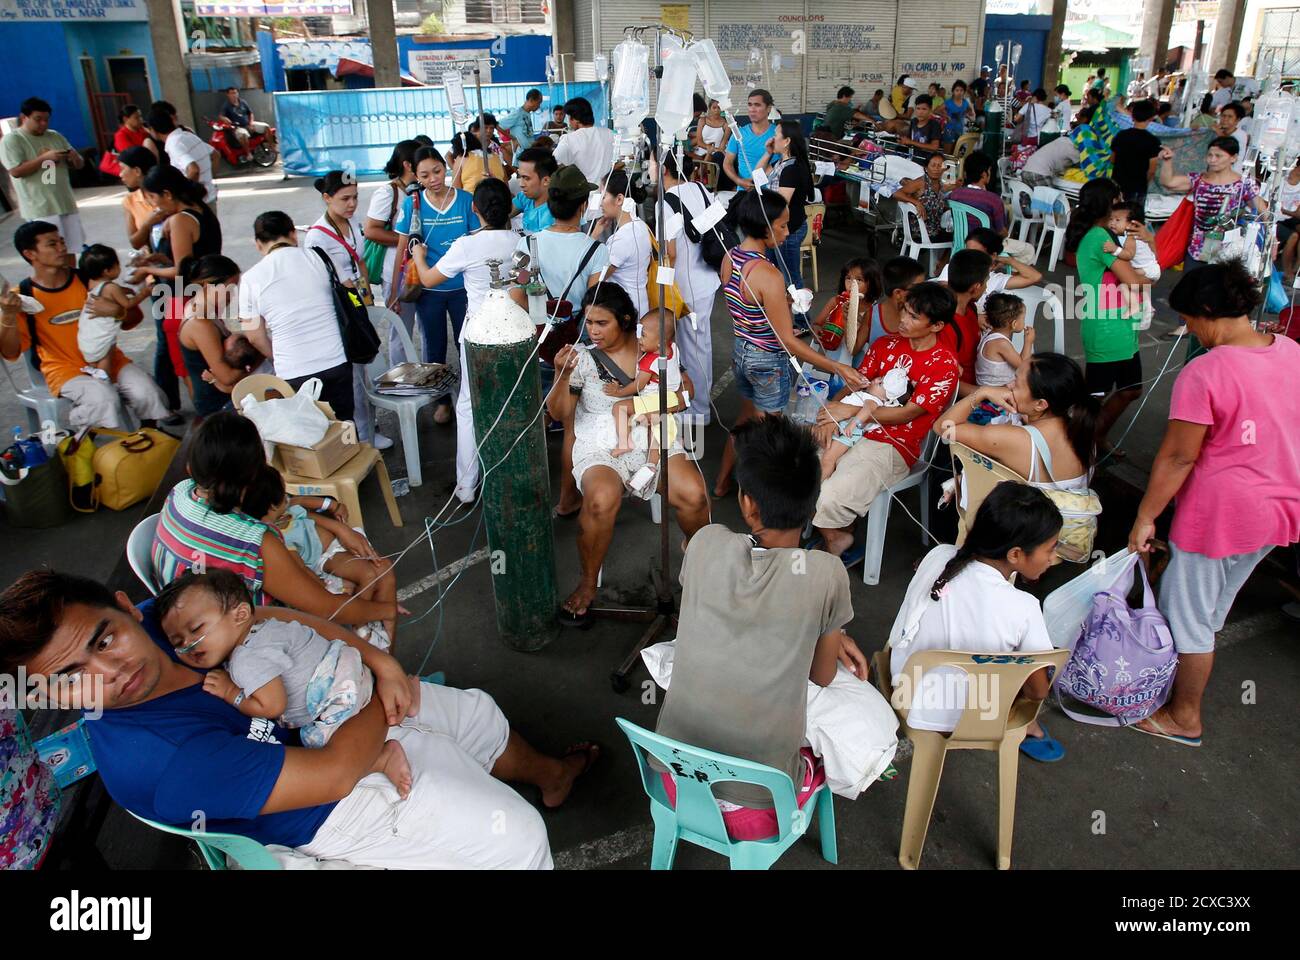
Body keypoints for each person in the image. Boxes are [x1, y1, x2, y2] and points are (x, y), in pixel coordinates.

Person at [0, 569, 597, 869]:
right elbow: (335, 775)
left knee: (478, 715)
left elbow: (262, 621)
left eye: (106, 639)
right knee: (516, 838)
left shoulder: (168, 617)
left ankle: (550, 775)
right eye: (70, 675)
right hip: (321, 802)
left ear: (129, 608)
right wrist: (364, 693)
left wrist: (376, 660)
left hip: (326, 710)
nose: (107, 674)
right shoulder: (162, 760)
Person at [654, 415, 873, 838]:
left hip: (671, 780)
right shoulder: (827, 574)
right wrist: (828, 627)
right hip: (760, 806)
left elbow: (736, 596)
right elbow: (822, 676)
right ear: (813, 505)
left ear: (747, 503)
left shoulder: (705, 543)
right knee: (844, 723)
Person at [1128, 261, 1300, 747]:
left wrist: (1146, 516)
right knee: (1208, 613)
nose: (1190, 331)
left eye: (1190, 321)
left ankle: (1185, 718)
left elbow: (1180, 456)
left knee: (1188, 621)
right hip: (1278, 509)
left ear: (1207, 311)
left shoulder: (1205, 372)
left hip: (1221, 516)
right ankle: (1183, 683)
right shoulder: (1290, 351)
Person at [156, 570, 413, 796]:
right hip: (354, 667)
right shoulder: (267, 625)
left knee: (314, 748)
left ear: (240, 614)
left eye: (197, 628)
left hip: (339, 696)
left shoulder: (244, 660)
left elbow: (272, 706)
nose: (190, 645)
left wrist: (231, 693)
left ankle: (381, 757)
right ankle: (411, 692)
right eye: (178, 643)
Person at [546, 284, 710, 624]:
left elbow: (681, 395)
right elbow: (561, 414)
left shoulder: (653, 348)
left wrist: (653, 401)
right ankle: (589, 583)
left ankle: (701, 565)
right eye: (589, 322)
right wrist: (561, 375)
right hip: (601, 442)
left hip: (652, 436)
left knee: (695, 495)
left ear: (625, 321)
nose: (592, 330)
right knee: (601, 498)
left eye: (601, 323)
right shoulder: (582, 358)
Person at [153, 412, 399, 631]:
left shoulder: (181, 492)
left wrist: (337, 528)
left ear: (192, 467)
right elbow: (327, 610)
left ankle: (390, 674)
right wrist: (388, 609)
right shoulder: (255, 541)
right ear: (253, 473)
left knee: (377, 575)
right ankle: (390, 677)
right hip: (244, 643)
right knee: (382, 578)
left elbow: (287, 515)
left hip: (188, 625)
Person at [888, 482, 1065, 759]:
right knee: (1020, 673)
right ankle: (1029, 726)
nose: (1054, 558)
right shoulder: (1025, 607)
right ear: (1015, 554)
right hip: (960, 716)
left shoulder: (939, 556)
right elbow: (1038, 690)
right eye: (1051, 549)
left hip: (903, 687)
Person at [711, 189, 866, 497]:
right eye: (782, 225)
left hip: (742, 353)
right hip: (767, 361)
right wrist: (836, 367)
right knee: (767, 438)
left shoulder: (730, 259)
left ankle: (721, 483)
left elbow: (750, 310)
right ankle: (756, 500)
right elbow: (787, 341)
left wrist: (784, 305)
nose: (787, 231)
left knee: (744, 421)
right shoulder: (768, 273)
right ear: (764, 226)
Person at [811, 282, 961, 561]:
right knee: (805, 469)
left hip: (895, 443)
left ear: (937, 325)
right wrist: (834, 412)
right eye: (905, 311)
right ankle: (836, 529)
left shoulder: (944, 365)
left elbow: (907, 413)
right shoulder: (885, 344)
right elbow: (856, 383)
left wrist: (847, 412)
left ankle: (838, 538)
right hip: (853, 427)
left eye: (914, 317)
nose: (903, 320)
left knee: (831, 493)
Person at [409, 178, 521, 504]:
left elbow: (429, 279)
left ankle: (467, 485)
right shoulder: (522, 241)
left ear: (474, 209)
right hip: (517, 332)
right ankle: (512, 475)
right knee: (514, 401)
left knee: (470, 406)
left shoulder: (467, 245)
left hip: (479, 335)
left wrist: (418, 255)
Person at [510, 164, 610, 518]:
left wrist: (540, 322)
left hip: (536, 346)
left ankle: (525, 494)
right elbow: (596, 304)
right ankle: (567, 498)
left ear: (549, 203)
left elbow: (515, 295)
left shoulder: (527, 243)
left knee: (532, 421)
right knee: (571, 426)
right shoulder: (595, 251)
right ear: (583, 206)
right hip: (575, 350)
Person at [1, 221, 169, 430]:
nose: (62, 248)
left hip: (109, 360)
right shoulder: (23, 297)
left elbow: (132, 321)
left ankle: (148, 436)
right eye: (52, 244)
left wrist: (119, 311)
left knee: (148, 393)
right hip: (64, 369)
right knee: (103, 399)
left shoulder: (89, 281)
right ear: (30, 254)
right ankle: (78, 441)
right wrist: (7, 315)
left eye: (61, 241)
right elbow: (10, 352)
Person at [303, 169, 391, 450]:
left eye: (355, 197)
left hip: (357, 303)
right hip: (339, 310)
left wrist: (366, 299)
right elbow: (327, 282)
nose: (352, 204)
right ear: (327, 198)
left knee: (364, 367)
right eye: (345, 199)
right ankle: (361, 437)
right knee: (353, 372)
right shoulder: (317, 238)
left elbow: (361, 262)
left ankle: (368, 425)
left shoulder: (352, 224)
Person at [237, 211, 353, 421]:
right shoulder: (321, 257)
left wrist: (277, 356)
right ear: (293, 234)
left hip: (294, 370)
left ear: (258, 243)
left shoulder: (250, 278)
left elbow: (254, 336)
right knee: (344, 426)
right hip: (336, 360)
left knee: (310, 435)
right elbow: (351, 292)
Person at [1063, 178, 1150, 453]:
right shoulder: (1099, 237)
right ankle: (1077, 448)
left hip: (1120, 325)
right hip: (1106, 326)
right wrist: (1146, 279)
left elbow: (1139, 272)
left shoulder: (1107, 235)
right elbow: (1136, 281)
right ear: (1108, 204)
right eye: (1118, 197)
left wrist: (1147, 243)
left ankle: (1095, 436)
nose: (1123, 200)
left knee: (1130, 388)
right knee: (1094, 397)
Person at [393, 146, 478, 422]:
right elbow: (402, 248)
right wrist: (396, 291)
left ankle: (470, 396)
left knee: (466, 343)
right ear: (416, 176)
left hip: (462, 289)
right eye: (425, 175)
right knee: (434, 347)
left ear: (446, 167)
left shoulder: (466, 201)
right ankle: (440, 401)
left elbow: (477, 244)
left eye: (438, 171)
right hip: (428, 291)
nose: (434, 179)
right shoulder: (413, 204)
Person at [1156, 137, 1267, 347]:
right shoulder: (1199, 180)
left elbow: (1262, 211)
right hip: (1197, 245)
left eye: (1218, 156)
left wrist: (1268, 233)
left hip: (1227, 247)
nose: (1212, 160)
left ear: (1233, 158)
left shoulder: (1243, 183)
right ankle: (1186, 324)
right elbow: (1168, 182)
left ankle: (1222, 325)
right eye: (1210, 155)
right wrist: (1168, 162)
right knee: (1191, 283)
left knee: (1223, 286)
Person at [935, 351, 1096, 495]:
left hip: (1021, 526)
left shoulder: (1014, 439)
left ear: (1040, 404)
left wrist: (982, 392)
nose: (1009, 385)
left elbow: (943, 427)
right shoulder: (1080, 427)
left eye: (1017, 383)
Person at [660, 152, 720, 423]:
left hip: (686, 286)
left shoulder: (666, 204)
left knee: (692, 348)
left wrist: (662, 287)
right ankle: (701, 400)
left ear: (663, 169)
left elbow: (669, 252)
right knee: (701, 345)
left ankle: (699, 410)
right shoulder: (698, 188)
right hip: (708, 277)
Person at [606, 313, 689, 483]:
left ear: (659, 342)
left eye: (643, 335)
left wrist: (619, 391)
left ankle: (624, 442)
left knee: (619, 408)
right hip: (671, 397)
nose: (639, 338)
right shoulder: (673, 348)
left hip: (654, 399)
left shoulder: (649, 361)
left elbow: (638, 385)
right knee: (656, 433)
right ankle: (651, 465)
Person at [0, 97, 86, 252]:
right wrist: (43, 159)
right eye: (38, 119)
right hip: (40, 208)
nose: (43, 124)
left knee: (73, 249)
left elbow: (79, 164)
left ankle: (72, 276)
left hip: (65, 203)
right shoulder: (12, 140)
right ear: (23, 117)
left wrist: (75, 159)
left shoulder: (55, 136)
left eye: (46, 120)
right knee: (50, 253)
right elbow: (16, 171)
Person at [177, 254, 256, 418]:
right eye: (230, 288)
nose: (234, 295)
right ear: (207, 286)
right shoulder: (200, 324)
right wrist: (259, 350)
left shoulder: (199, 307)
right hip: (218, 405)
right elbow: (226, 377)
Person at [364, 139, 421, 362]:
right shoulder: (388, 193)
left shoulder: (418, 190)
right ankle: (400, 383)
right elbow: (370, 230)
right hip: (396, 272)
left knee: (424, 328)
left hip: (420, 270)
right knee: (401, 331)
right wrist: (406, 240)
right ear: (408, 164)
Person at [75, 244, 152, 376]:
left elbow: (109, 293)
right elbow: (127, 304)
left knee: (95, 356)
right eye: (117, 265)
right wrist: (144, 293)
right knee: (105, 356)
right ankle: (103, 379)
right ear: (107, 271)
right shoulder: (112, 287)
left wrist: (125, 290)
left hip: (87, 334)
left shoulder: (92, 284)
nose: (119, 268)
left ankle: (92, 371)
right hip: (102, 334)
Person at [757, 120, 816, 293]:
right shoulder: (781, 164)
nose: (772, 139)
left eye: (776, 135)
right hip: (777, 228)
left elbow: (781, 204)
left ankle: (801, 318)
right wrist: (768, 153)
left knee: (791, 278)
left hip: (788, 229)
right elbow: (758, 174)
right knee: (773, 272)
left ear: (787, 141)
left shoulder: (792, 169)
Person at [936, 227, 1042, 313]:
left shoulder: (995, 279)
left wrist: (1009, 260)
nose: (970, 255)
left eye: (976, 253)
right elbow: (943, 300)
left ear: (992, 255)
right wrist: (976, 318)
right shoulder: (953, 268)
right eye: (968, 250)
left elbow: (1035, 277)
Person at [592, 170, 652, 316]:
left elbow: (595, 280)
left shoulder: (622, 239)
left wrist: (593, 236)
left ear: (619, 199)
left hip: (626, 309)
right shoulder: (640, 226)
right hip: (639, 303)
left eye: (604, 196)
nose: (600, 202)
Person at [148, 105, 217, 213]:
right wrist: (208, 177)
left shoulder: (174, 144)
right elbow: (216, 155)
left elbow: (193, 170)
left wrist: (182, 196)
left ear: (153, 129)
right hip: (209, 196)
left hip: (196, 203)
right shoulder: (188, 136)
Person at [938, 248, 990, 390]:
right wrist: (986, 393)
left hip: (981, 382)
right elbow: (947, 381)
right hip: (963, 395)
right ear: (976, 287)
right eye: (986, 282)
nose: (986, 289)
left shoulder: (971, 308)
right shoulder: (946, 327)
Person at [811, 257, 883, 359]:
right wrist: (817, 329)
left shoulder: (873, 309)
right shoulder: (835, 301)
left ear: (871, 284)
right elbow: (817, 323)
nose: (852, 284)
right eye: (848, 278)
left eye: (859, 280)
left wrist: (856, 318)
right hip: (834, 354)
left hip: (859, 359)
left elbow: (872, 338)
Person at [972, 292, 1033, 392]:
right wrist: (1028, 342)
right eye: (1023, 319)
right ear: (1014, 324)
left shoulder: (991, 335)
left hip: (993, 389)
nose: (1024, 322)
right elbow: (1023, 367)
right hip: (997, 395)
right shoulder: (1001, 343)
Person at [1110, 98, 1162, 206]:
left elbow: (1112, 160)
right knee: (1133, 218)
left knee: (1115, 215)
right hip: (1138, 187)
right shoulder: (1153, 141)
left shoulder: (1120, 135)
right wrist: (1144, 183)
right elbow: (1152, 170)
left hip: (1117, 185)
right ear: (1151, 118)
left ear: (1132, 117)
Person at [895, 151, 957, 243]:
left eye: (940, 166)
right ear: (926, 168)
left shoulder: (939, 185)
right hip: (921, 233)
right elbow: (897, 194)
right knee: (960, 237)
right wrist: (916, 202)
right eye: (933, 165)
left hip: (933, 230)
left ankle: (940, 258)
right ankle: (942, 258)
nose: (936, 169)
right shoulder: (921, 183)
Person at [552, 97, 614, 186]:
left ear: (576, 119)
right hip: (606, 193)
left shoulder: (569, 139)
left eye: (569, 118)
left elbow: (553, 164)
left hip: (582, 194)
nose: (569, 122)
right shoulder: (609, 134)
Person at [723, 89, 776, 192]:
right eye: (750, 105)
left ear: (768, 108)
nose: (752, 109)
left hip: (772, 194)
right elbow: (727, 162)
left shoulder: (777, 134)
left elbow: (785, 162)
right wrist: (738, 181)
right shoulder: (739, 134)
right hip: (744, 193)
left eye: (757, 105)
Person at [117, 145, 160, 251]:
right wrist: (148, 223)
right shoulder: (129, 201)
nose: (120, 174)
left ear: (137, 171)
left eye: (123, 169)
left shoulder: (166, 195)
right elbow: (135, 243)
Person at [511, 146, 558, 235]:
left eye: (526, 178)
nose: (521, 184)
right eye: (520, 176)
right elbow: (502, 215)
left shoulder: (558, 212)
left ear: (546, 181)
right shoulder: (524, 197)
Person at [898, 94, 943, 160]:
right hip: (912, 158)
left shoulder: (934, 125)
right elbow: (909, 139)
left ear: (930, 110)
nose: (920, 112)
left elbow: (934, 147)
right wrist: (903, 141)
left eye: (924, 109)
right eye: (918, 108)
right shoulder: (914, 121)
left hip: (926, 162)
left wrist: (911, 142)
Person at [1216, 102, 1250, 173]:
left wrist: (1218, 132)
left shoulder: (1240, 135)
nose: (1225, 119)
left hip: (1232, 173)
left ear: (1237, 120)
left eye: (1230, 117)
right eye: (1223, 116)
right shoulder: (1220, 132)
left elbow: (1227, 147)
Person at [941, 81, 975, 149]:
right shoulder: (948, 102)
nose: (959, 92)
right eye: (957, 90)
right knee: (948, 154)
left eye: (961, 90)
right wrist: (945, 115)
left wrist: (967, 114)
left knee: (956, 153)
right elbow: (935, 111)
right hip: (949, 131)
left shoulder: (965, 102)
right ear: (953, 92)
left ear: (964, 92)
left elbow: (969, 111)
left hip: (960, 131)